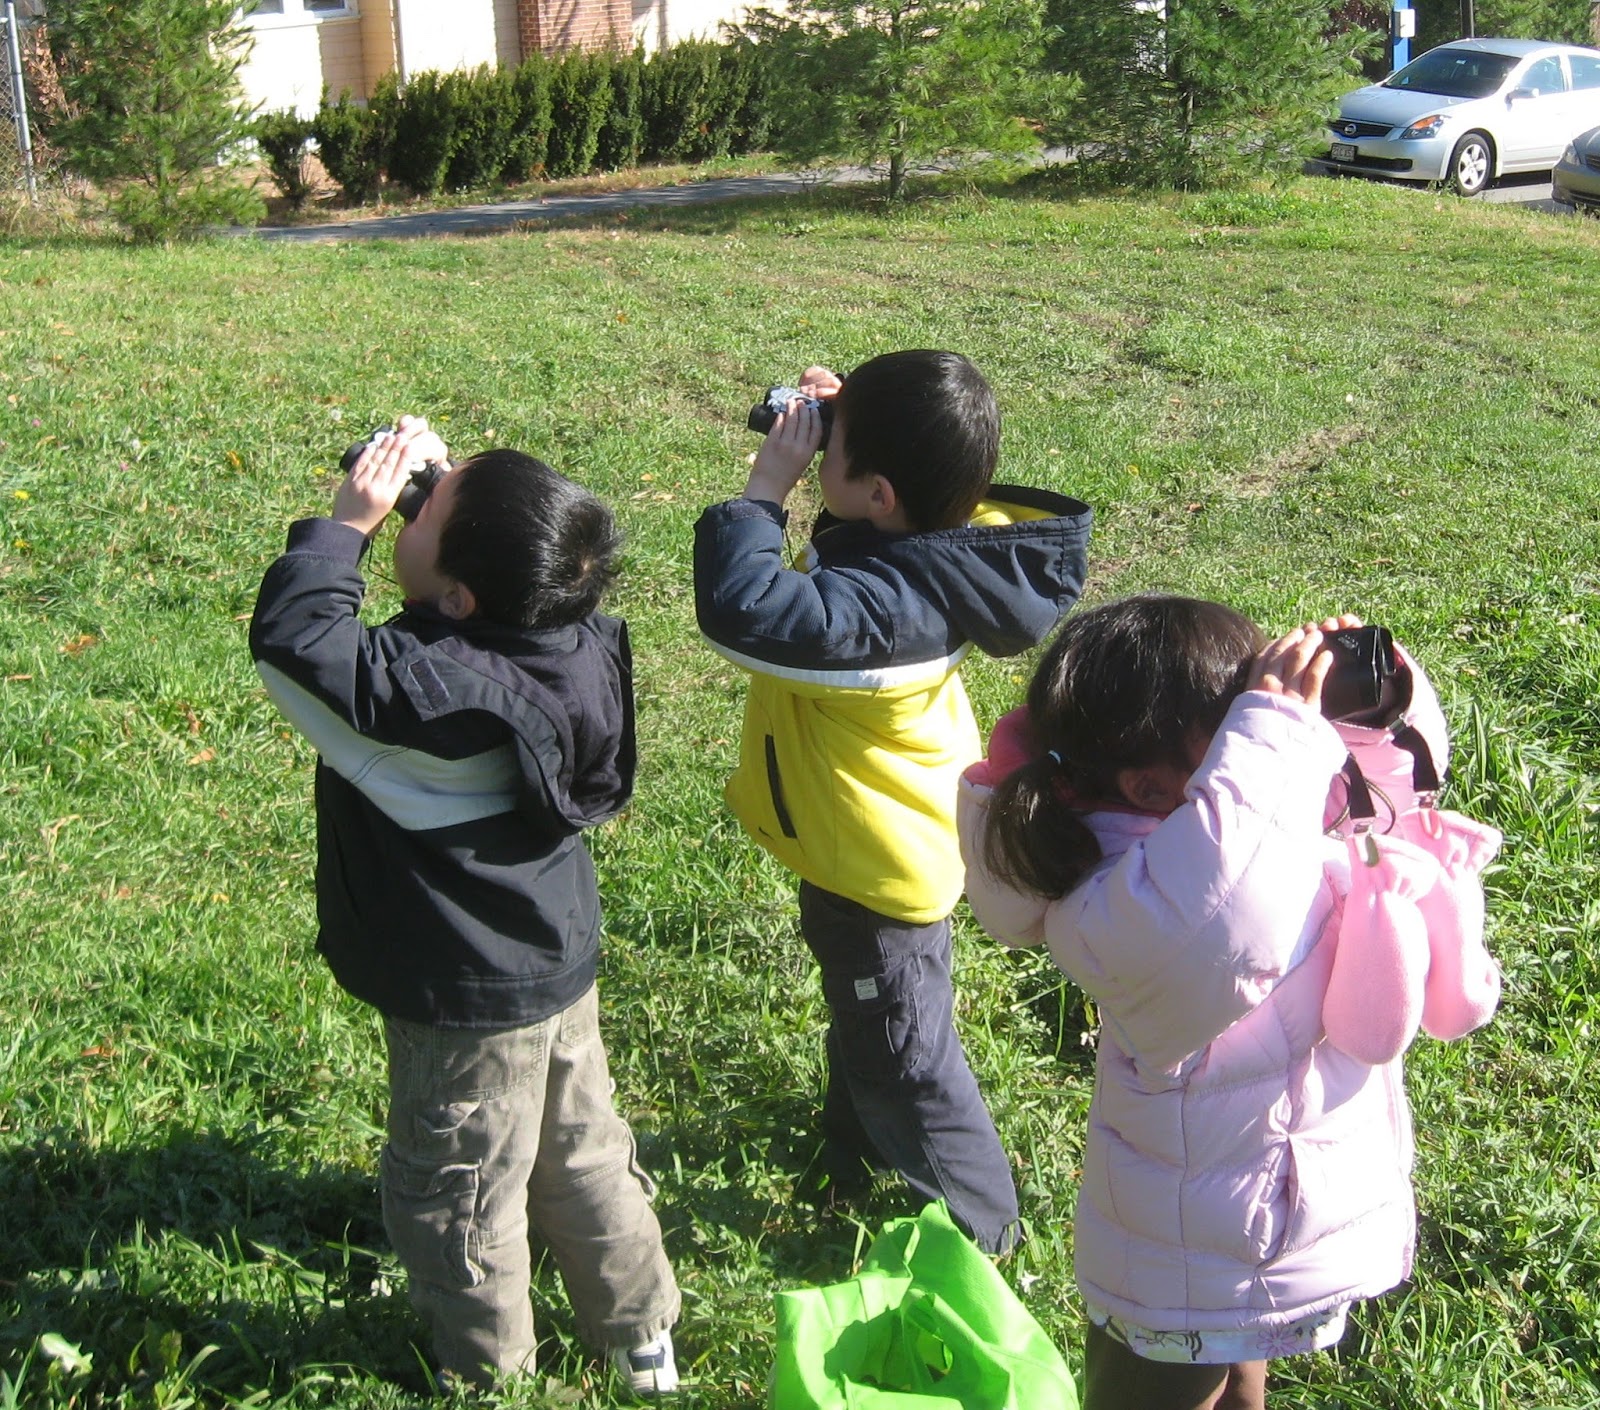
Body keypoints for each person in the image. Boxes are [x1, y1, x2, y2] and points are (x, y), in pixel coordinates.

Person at [956, 595, 1500, 1410]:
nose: (1274, 717)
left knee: (1238, 1379)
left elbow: (1393, 785)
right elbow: (1225, 921)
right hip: (1188, 1251)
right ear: (1146, 784)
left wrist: (1378, 700)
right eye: (1238, 715)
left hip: (1254, 1222)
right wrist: (1273, 734)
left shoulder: (1243, 805)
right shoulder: (1119, 898)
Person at [249, 417, 680, 1397]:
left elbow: (295, 644)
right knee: (583, 1151)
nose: (408, 496)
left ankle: (490, 1375)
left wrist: (345, 528)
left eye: (426, 502)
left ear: (458, 595)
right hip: (551, 955)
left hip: (466, 990)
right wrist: (452, 493)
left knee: (459, 1191)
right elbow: (480, 578)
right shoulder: (561, 636)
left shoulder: (425, 696)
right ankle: (641, 1335)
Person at [693, 351, 1094, 1254]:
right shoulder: (932, 545)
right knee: (871, 1020)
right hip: (870, 837)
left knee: (909, 1061)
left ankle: (984, 1235)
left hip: (880, 875)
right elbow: (862, 532)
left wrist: (764, 491)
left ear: (880, 495)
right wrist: (854, 423)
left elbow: (746, 610)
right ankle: (850, 1157)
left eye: (833, 454)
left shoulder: (884, 615)